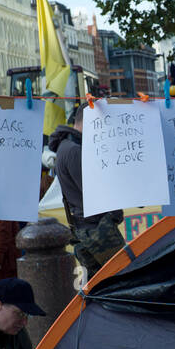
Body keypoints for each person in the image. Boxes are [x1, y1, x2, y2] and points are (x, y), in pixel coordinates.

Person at [49, 106, 125, 277]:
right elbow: (94, 192)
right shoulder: (74, 150)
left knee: (101, 282)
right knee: (118, 279)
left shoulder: (66, 145)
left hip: (88, 227)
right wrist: (115, 212)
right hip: (96, 230)